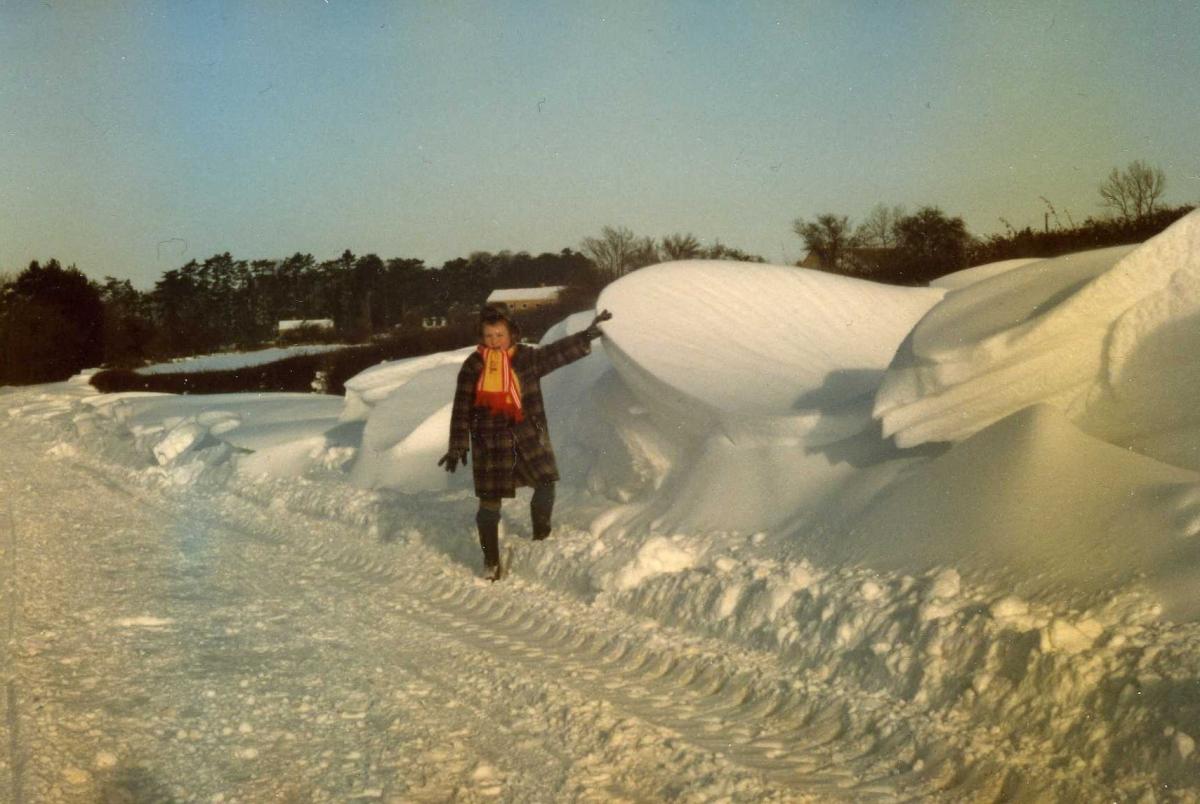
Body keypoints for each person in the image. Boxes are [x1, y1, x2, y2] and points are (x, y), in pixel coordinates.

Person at [439, 306, 612, 581]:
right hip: (490, 443)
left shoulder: (527, 359)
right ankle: (491, 561)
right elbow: (462, 407)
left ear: (512, 334)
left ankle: (541, 536)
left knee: (545, 482)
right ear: (481, 336)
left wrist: (587, 335)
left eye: (499, 334)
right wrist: (458, 443)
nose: (494, 340)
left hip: (528, 435)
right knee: (489, 504)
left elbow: (556, 353)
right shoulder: (474, 365)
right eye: (488, 335)